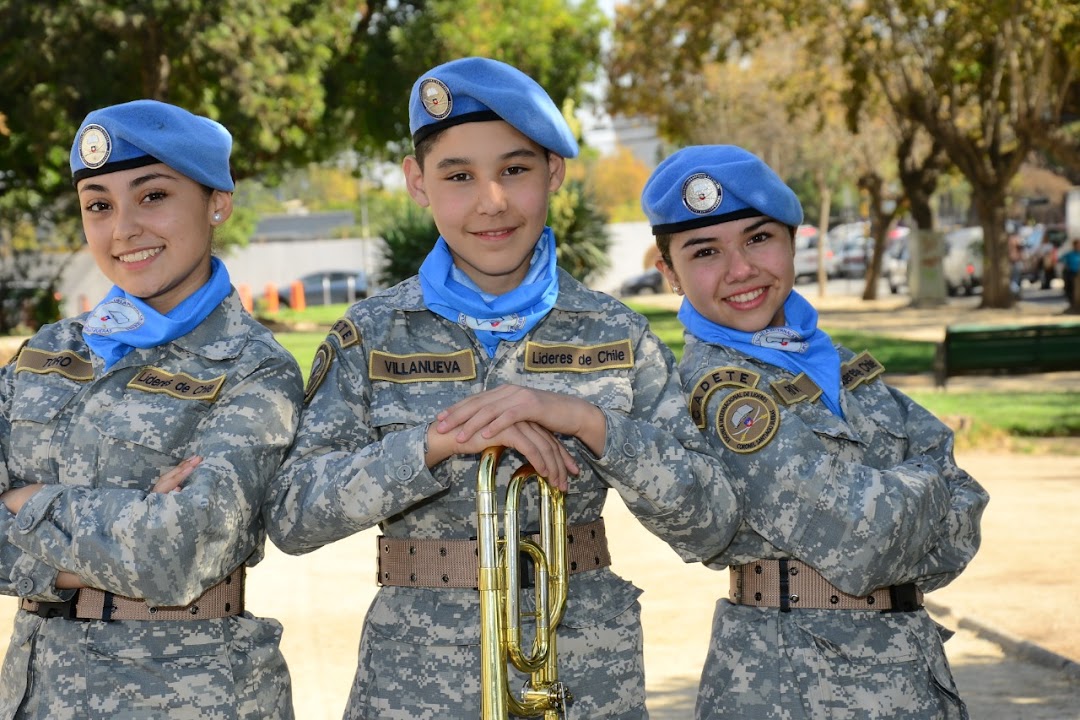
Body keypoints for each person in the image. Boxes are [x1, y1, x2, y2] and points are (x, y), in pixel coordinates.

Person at [266, 57, 739, 719]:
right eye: (458, 176)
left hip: (582, 673)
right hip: (413, 682)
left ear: (553, 173)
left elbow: (712, 521)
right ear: (417, 183)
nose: (490, 200)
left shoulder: (616, 333)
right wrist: (434, 443)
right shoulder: (369, 337)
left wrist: (586, 420)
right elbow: (291, 516)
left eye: (514, 170)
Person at [641, 145, 989, 719]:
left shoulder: (833, 361)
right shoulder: (722, 394)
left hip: (905, 669)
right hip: (792, 682)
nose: (741, 270)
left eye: (758, 238)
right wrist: (924, 491)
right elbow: (865, 539)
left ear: (792, 240)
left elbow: (968, 505)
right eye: (706, 252)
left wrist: (910, 503)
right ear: (669, 273)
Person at [0, 100, 304, 719]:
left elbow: (179, 553)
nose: (123, 230)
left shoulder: (254, 368)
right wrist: (124, 528)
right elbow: (149, 543)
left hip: (192, 695)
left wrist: (22, 502)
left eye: (153, 195)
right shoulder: (47, 352)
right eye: (99, 205)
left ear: (217, 200)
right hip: (35, 696)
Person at [1061, 238, 1080, 304]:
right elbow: (1061, 259)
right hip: (1071, 273)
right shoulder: (1070, 254)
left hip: (1078, 274)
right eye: (1077, 245)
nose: (1078, 246)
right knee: (1070, 287)